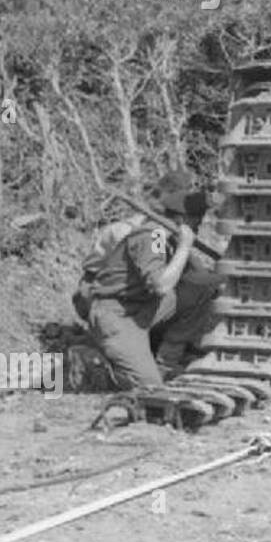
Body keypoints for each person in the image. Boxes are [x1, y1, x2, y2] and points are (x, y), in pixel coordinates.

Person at [77, 169, 220, 394]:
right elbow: (161, 285)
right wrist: (184, 245)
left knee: (200, 290)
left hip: (143, 308)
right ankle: (88, 364)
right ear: (183, 220)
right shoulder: (152, 235)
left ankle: (167, 361)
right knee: (150, 387)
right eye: (196, 222)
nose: (198, 228)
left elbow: (195, 278)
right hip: (117, 316)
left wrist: (227, 275)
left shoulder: (165, 237)